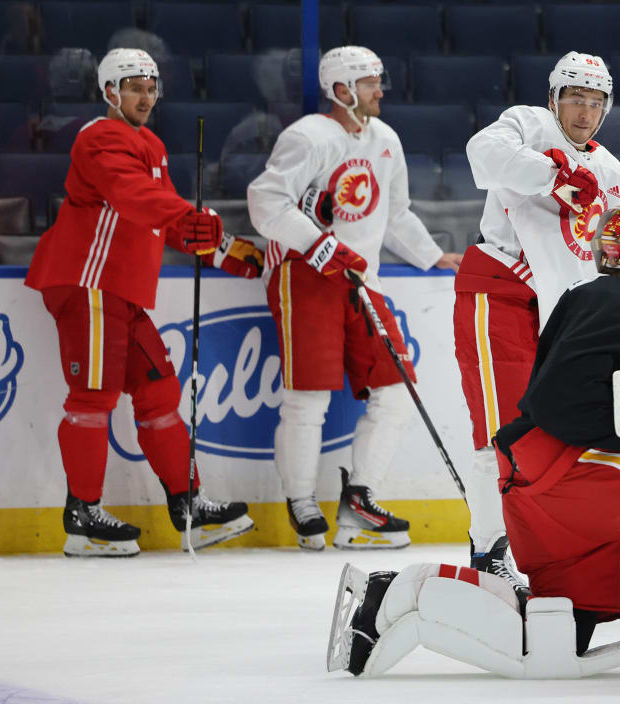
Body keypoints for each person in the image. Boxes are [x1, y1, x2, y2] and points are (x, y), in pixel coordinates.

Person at [325, 203, 620, 680]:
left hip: (537, 489)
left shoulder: (580, 298)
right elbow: (579, 406)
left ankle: (392, 597)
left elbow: (578, 396)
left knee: (556, 631)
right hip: (568, 478)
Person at [25, 48, 259, 557]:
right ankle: (82, 518)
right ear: (110, 91)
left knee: (159, 392)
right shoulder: (99, 138)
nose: (146, 97)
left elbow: (167, 220)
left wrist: (224, 249)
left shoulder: (151, 144)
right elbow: (133, 195)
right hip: (89, 283)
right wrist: (187, 215)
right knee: (93, 398)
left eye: (152, 88)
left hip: (122, 293)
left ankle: (189, 506)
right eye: (135, 87)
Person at [246, 46, 462, 551]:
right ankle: (301, 499)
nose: (379, 90)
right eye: (369, 83)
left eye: (378, 81)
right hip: (305, 275)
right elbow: (266, 200)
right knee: (308, 397)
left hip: (362, 279)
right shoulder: (307, 136)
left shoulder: (386, 139)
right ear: (341, 90)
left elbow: (396, 213)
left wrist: (432, 255)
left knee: (396, 392)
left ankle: (359, 501)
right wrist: (318, 244)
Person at [454, 51, 620, 587]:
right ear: (554, 99)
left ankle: (541, 542)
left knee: (552, 436)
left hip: (560, 313)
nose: (585, 111)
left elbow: (601, 253)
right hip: (500, 291)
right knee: (500, 432)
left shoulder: (612, 170)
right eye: (575, 98)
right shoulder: (528, 124)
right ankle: (488, 550)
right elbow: (481, 154)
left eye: (595, 101)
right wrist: (554, 175)